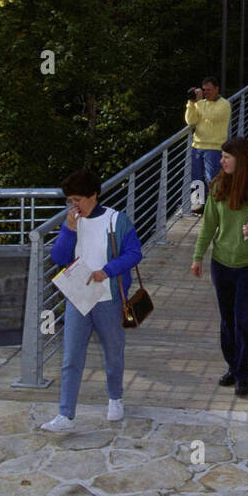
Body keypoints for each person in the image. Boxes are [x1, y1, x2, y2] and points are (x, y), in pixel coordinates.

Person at [40, 169, 143, 433]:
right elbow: (59, 257)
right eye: (70, 200)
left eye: (78, 199)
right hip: (78, 297)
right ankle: (65, 414)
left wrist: (107, 271)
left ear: (94, 195)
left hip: (108, 298)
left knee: (113, 352)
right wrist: (68, 230)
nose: (74, 205)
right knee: (71, 356)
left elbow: (134, 253)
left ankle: (115, 398)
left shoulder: (116, 220)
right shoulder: (72, 222)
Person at [190, 137, 248, 397]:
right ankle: (232, 366)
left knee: (244, 319)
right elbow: (208, 225)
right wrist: (198, 257)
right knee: (227, 320)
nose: (221, 161)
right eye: (221, 157)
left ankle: (243, 374)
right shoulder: (218, 185)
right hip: (221, 263)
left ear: (241, 159)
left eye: (226, 157)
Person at [185, 77, 232, 214]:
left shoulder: (224, 104)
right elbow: (190, 121)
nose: (206, 93)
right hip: (197, 146)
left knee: (212, 178)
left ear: (217, 89)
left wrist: (199, 102)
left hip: (214, 148)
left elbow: (211, 116)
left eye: (209, 90)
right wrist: (191, 103)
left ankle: (217, 206)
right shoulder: (201, 103)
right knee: (197, 178)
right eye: (204, 90)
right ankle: (198, 205)